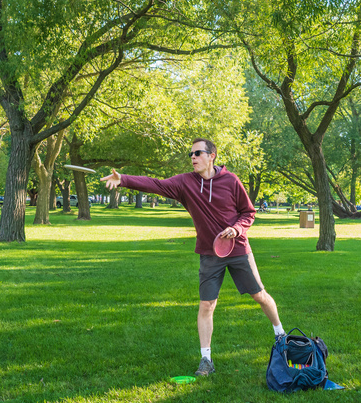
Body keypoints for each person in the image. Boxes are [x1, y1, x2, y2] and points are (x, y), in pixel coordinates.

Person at [101, 138, 285, 376]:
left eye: (198, 153)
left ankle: (280, 335)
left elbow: (248, 212)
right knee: (207, 304)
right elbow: (155, 184)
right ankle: (206, 360)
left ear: (212, 155)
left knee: (259, 295)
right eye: (191, 154)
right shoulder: (185, 182)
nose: (193, 158)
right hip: (209, 253)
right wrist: (123, 179)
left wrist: (237, 229)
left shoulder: (230, 181)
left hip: (238, 248)